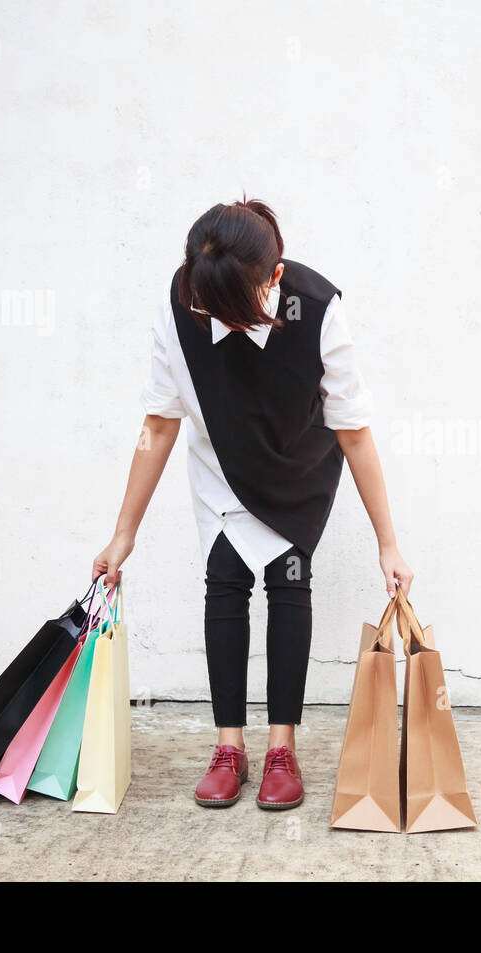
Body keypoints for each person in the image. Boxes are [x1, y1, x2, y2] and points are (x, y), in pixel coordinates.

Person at [92, 199, 413, 811]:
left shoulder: (317, 310)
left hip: (297, 462)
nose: (223, 325)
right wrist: (122, 533)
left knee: (290, 581)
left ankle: (282, 748)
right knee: (224, 578)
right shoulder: (181, 302)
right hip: (221, 464)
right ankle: (229, 747)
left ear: (275, 276)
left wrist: (387, 542)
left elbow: (353, 431)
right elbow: (159, 425)